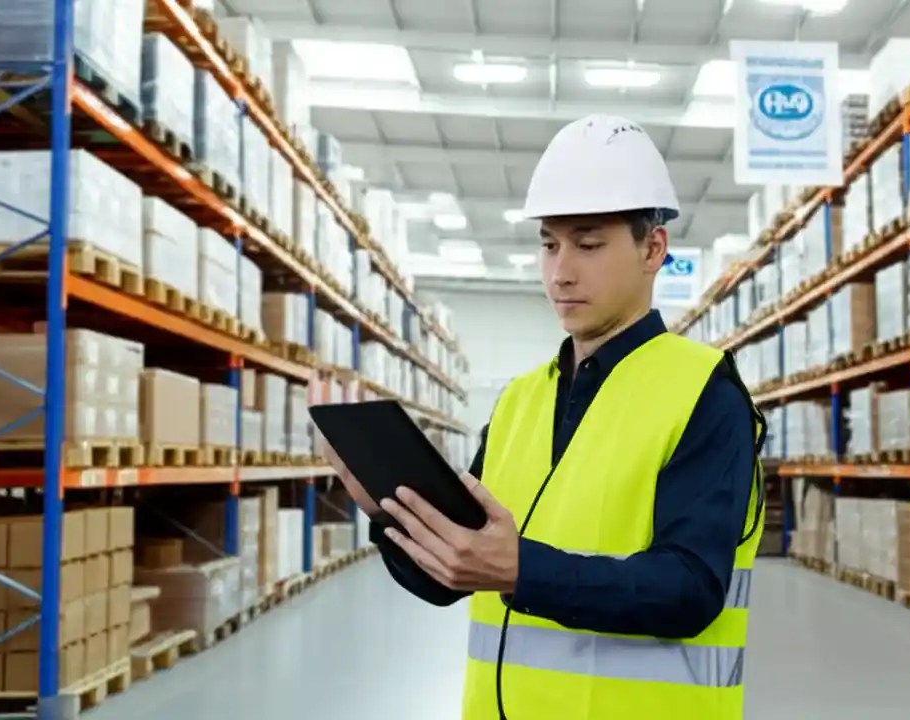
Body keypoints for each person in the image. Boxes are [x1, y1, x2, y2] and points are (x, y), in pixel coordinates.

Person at [321, 114, 765, 720]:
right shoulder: (520, 402)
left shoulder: (704, 393)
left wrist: (522, 569)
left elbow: (692, 590)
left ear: (652, 249)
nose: (561, 272)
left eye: (588, 244)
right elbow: (450, 578)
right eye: (549, 244)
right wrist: (392, 516)